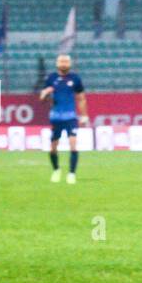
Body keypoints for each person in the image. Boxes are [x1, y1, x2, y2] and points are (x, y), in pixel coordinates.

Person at [39, 52, 88, 184]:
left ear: (69, 64)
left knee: (73, 144)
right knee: (53, 147)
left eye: (66, 61)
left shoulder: (75, 79)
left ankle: (71, 174)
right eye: (61, 61)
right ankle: (56, 170)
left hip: (71, 116)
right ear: (57, 64)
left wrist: (84, 115)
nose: (64, 64)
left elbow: (81, 98)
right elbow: (42, 98)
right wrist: (45, 93)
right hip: (56, 117)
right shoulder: (51, 78)